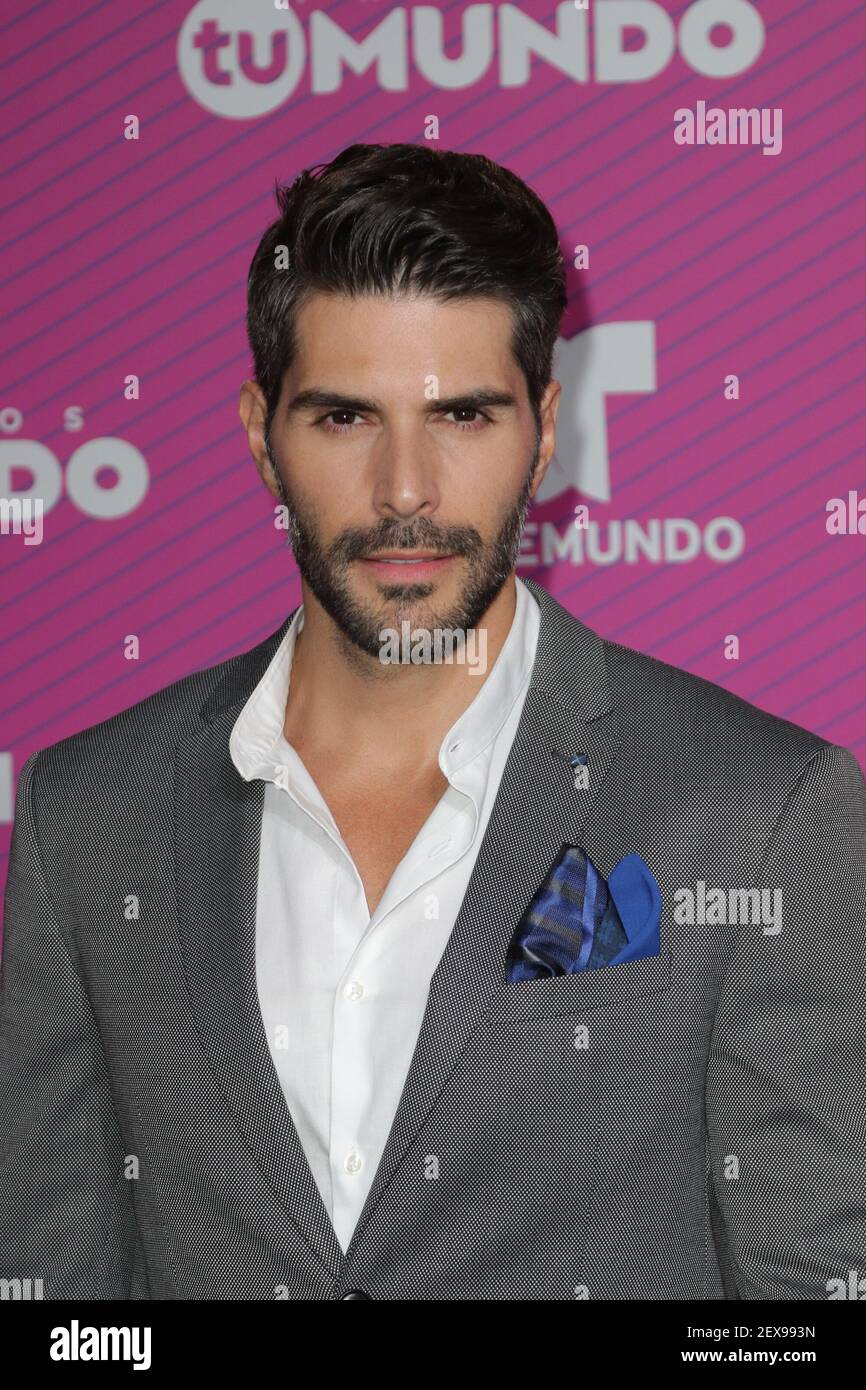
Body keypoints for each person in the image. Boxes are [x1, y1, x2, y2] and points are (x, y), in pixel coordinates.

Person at [1, 143, 864, 1301]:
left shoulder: (755, 807)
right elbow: (57, 1299)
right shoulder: (83, 815)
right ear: (262, 433)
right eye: (346, 417)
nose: (405, 489)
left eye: (460, 413)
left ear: (544, 427)